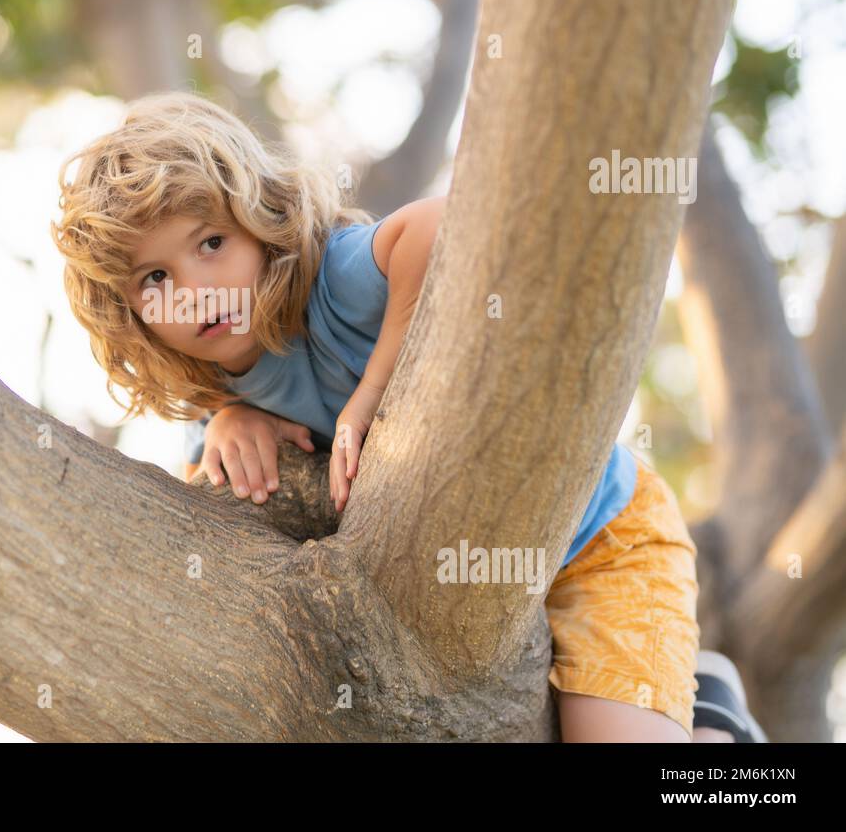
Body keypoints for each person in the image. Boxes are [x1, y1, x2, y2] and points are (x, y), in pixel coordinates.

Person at [51, 89, 766, 742]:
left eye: (211, 243)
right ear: (129, 311)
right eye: (156, 277)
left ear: (260, 224)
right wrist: (228, 418)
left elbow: (444, 225)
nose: (197, 289)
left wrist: (368, 399)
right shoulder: (218, 392)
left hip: (597, 535)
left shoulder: (334, 280)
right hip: (465, 607)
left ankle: (711, 718)